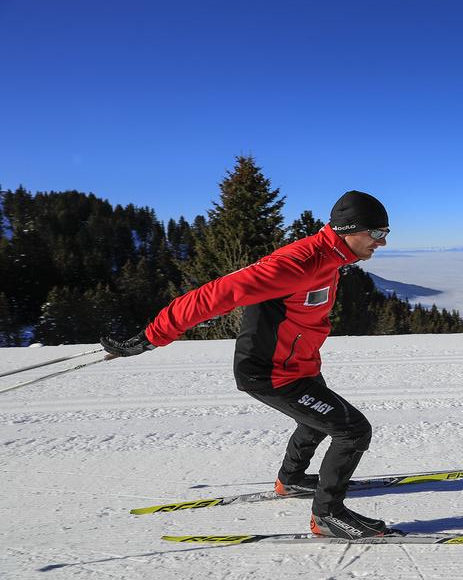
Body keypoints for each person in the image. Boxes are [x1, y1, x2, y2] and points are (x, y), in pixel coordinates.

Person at [101, 190, 393, 539]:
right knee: (353, 430)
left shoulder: (330, 258)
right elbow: (214, 295)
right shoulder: (300, 262)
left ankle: (291, 480)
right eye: (377, 233)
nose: (383, 242)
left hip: (296, 365)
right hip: (271, 372)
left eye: (385, 233)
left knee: (316, 420)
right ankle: (327, 515)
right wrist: (153, 335)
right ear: (349, 229)